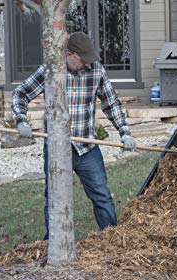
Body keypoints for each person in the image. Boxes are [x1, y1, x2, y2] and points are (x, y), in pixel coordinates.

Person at [11, 32, 137, 240]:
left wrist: (125, 132)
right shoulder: (51, 71)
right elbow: (21, 93)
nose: (88, 64)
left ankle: (112, 241)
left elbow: (111, 103)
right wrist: (21, 119)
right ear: (69, 54)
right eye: (84, 60)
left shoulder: (95, 70)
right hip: (57, 148)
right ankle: (53, 244)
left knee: (102, 196)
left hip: (87, 147)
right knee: (54, 198)